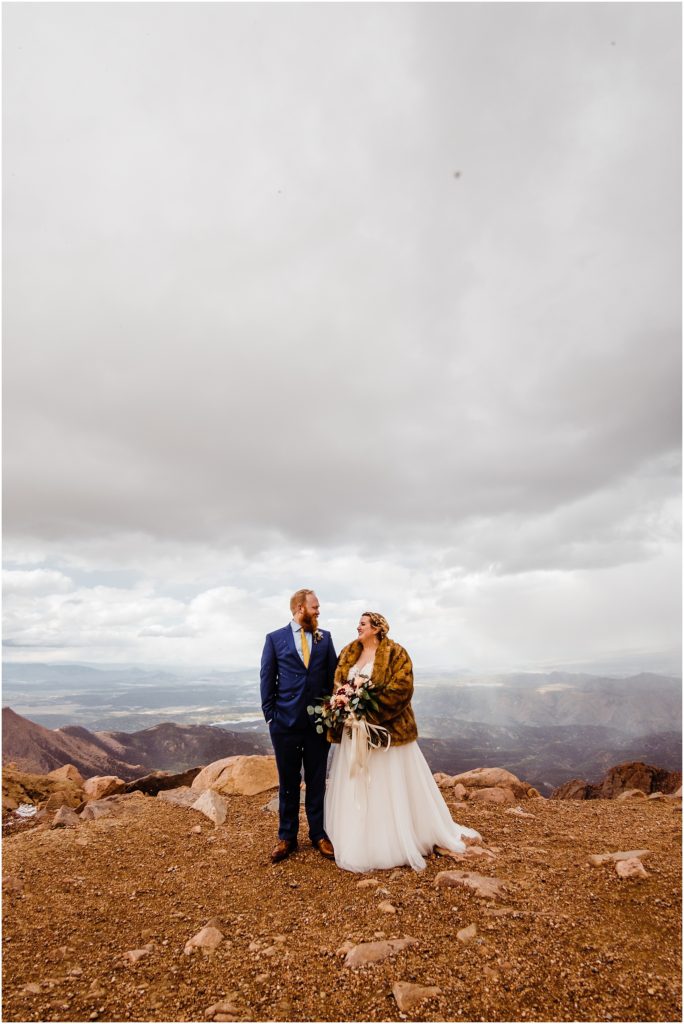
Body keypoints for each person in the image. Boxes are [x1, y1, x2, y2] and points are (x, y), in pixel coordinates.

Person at [324, 611, 481, 872]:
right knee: (358, 783)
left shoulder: (396, 653)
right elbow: (338, 686)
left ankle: (395, 840)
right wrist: (345, 708)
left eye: (362, 623)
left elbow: (402, 690)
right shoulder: (348, 653)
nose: (357, 627)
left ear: (376, 627)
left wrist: (369, 714)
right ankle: (358, 838)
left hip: (387, 734)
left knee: (387, 785)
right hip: (355, 733)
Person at [260, 588, 337, 863]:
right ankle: (287, 837)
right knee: (288, 782)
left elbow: (332, 679)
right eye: (315, 606)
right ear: (300, 608)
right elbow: (267, 680)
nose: (318, 611)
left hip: (318, 726)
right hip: (285, 725)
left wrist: (330, 713)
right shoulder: (274, 639)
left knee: (316, 782)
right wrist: (271, 717)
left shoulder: (324, 639)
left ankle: (318, 835)